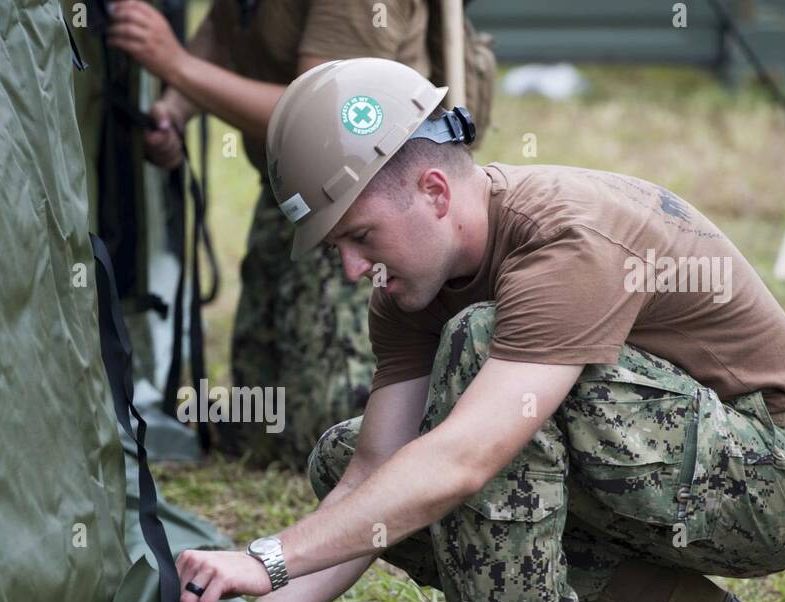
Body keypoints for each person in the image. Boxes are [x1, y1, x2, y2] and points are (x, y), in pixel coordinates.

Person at [172, 58, 785, 602]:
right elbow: (369, 474)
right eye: (339, 246)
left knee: (476, 351)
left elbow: (467, 457)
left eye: (360, 235)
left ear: (434, 191)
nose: (352, 268)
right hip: (662, 458)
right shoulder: (410, 289)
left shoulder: (563, 237)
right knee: (351, 453)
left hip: (777, 476)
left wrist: (267, 557)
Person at [106, 0, 494, 469]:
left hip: (365, 202)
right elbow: (223, 31)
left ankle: (452, 432)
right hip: (297, 198)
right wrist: (174, 108)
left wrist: (177, 66)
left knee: (326, 429)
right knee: (260, 427)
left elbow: (326, 119)